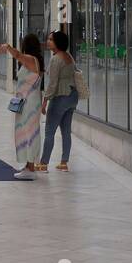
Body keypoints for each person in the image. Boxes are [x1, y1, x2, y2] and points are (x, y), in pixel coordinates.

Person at [0, 34, 45, 179]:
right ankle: (28, 165)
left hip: (29, 103)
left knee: (29, 132)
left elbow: (17, 55)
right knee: (25, 132)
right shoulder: (33, 60)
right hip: (28, 102)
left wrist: (8, 48)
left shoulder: (31, 59)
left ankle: (31, 169)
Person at [39, 30, 80, 172]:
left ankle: (43, 163)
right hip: (72, 97)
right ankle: (64, 162)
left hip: (60, 97)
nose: (48, 41)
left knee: (49, 131)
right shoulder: (69, 57)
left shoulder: (56, 59)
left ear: (58, 42)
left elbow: (52, 84)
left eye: (51, 39)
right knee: (66, 131)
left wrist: (45, 101)